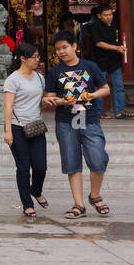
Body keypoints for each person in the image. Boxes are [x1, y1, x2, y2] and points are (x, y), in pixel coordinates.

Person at [43, 30, 113, 219]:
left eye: (64, 47)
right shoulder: (55, 72)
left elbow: (105, 88)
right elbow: (48, 98)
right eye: (58, 49)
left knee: (98, 159)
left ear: (75, 46)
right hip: (66, 121)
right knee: (72, 163)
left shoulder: (90, 66)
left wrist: (91, 95)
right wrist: (58, 101)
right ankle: (79, 205)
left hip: (89, 119)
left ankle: (95, 195)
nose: (61, 52)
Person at [3, 42, 49, 220]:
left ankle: (36, 190)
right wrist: (8, 130)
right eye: (34, 57)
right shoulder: (13, 79)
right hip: (17, 126)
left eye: (38, 57)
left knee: (40, 167)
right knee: (23, 168)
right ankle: (27, 205)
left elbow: (40, 100)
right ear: (23, 58)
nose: (37, 60)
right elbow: (8, 106)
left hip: (36, 126)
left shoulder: (39, 78)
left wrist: (47, 102)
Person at [88, 4, 134, 119]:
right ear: (99, 16)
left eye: (111, 14)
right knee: (100, 87)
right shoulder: (95, 26)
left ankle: (119, 111)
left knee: (119, 86)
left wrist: (119, 48)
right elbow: (99, 43)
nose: (109, 17)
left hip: (113, 60)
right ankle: (99, 112)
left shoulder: (114, 24)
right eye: (106, 15)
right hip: (100, 61)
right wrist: (117, 48)